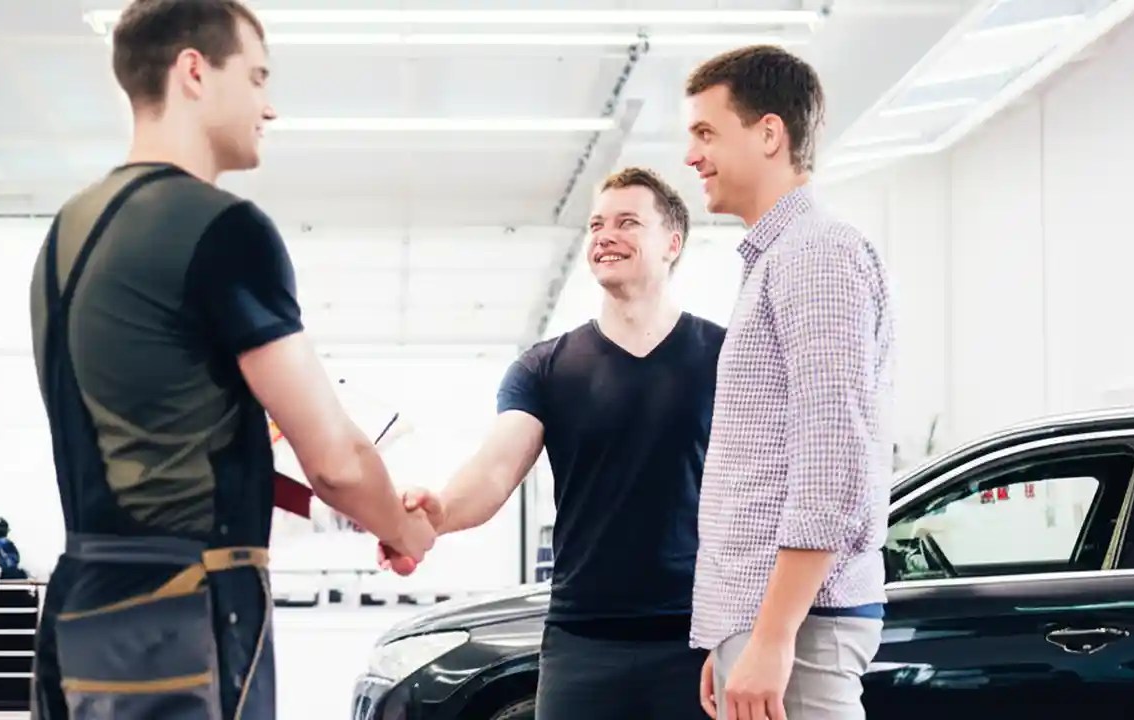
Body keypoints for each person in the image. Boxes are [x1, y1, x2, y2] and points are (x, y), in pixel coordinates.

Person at [26, 1, 435, 717]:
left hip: (81, 601)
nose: (268, 106)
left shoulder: (66, 233)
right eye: (255, 77)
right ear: (193, 71)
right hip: (186, 610)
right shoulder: (222, 229)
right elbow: (334, 457)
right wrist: (402, 531)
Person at [382, 167, 726, 720]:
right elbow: (495, 471)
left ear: (672, 243)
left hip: (695, 644)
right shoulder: (545, 367)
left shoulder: (725, 357)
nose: (604, 235)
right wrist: (435, 515)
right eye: (596, 224)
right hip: (580, 644)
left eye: (627, 222)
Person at [682, 45, 895, 720]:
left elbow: (834, 462)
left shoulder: (817, 253)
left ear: (769, 133)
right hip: (770, 625)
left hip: (803, 627)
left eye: (706, 132)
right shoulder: (777, 258)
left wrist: (772, 640)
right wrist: (730, 638)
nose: (692, 156)